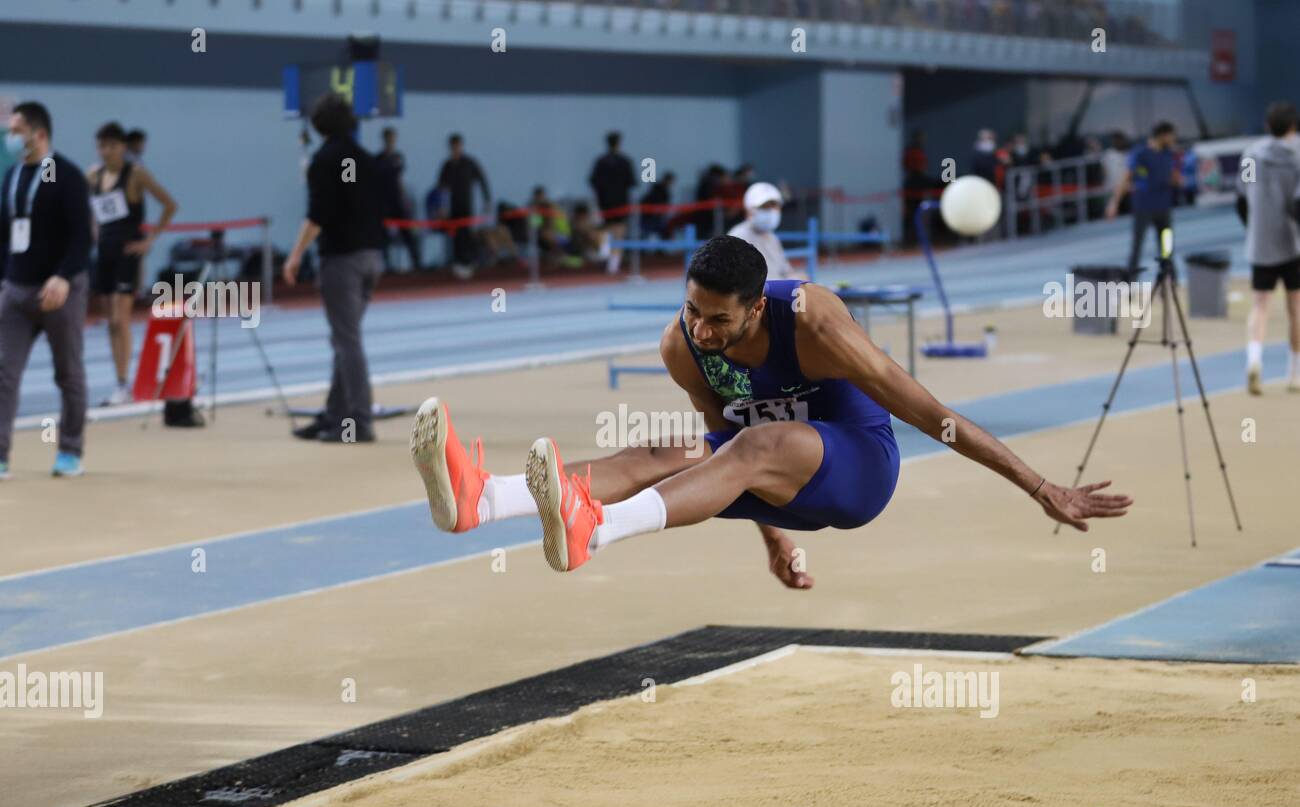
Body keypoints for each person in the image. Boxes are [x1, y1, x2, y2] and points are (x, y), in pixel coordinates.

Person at [410, 237, 1132, 584]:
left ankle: (591, 531)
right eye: (693, 311)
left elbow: (933, 416)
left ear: (759, 306)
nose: (703, 331)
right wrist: (773, 539)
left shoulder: (815, 323)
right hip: (777, 473)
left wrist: (1042, 487)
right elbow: (730, 456)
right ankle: (484, 498)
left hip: (859, 472)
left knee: (763, 441)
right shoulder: (682, 347)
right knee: (662, 453)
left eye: (719, 320)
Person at [282, 93, 385, 444]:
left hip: (342, 259)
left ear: (318, 124)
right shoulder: (366, 159)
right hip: (372, 256)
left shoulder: (324, 160)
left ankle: (358, 420)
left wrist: (295, 255)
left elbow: (318, 215)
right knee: (344, 338)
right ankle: (335, 415)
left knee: (347, 340)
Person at [0, 102, 93, 478]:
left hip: (58, 291)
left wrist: (64, 276)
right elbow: (5, 234)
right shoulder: (12, 176)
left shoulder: (61, 174)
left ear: (38, 134)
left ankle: (70, 451)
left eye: (16, 129)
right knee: (4, 372)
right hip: (17, 291)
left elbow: (82, 236)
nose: (9, 136)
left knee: (67, 372)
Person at [86, 121, 179, 408]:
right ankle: (120, 382)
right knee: (109, 323)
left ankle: (124, 383)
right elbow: (89, 209)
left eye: (112, 146)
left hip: (128, 252)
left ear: (123, 147)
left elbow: (169, 204)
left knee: (119, 319)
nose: (106, 152)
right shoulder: (93, 175)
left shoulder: (135, 174)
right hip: (105, 254)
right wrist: (93, 235)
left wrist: (149, 240)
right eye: (101, 146)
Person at [1236, 100, 1300, 395]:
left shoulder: (1251, 155)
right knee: (1295, 307)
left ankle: (1254, 362)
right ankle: (1295, 372)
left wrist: (1253, 226)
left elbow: (1243, 197)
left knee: (1260, 306)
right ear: (1292, 127)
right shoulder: (1298, 155)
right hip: (1292, 244)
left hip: (1259, 242)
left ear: (1266, 125)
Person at [1107, 121, 1182, 275]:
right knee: (1137, 247)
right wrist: (1114, 203)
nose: (1174, 139)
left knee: (1166, 246)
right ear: (1163, 135)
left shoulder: (1168, 154)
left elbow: (1174, 178)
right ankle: (1129, 282)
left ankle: (1169, 278)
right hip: (1144, 207)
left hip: (1164, 208)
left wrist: (1177, 179)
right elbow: (1126, 178)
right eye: (1171, 135)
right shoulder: (1140, 153)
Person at [436, 133, 490, 280]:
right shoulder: (447, 166)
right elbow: (441, 188)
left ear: (461, 146)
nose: (456, 149)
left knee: (467, 234)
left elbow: (482, 181)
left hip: (467, 205)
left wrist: (487, 201)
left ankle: (470, 262)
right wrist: (442, 207)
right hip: (453, 207)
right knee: (456, 236)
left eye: (458, 146)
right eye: (453, 147)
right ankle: (458, 263)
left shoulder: (469, 163)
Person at [728, 181, 797, 281]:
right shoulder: (737, 237)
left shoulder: (772, 237)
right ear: (749, 210)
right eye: (765, 207)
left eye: (774, 206)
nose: (771, 211)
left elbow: (786, 271)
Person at [588, 132, 636, 274]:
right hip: (620, 201)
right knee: (619, 232)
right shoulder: (625, 161)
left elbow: (593, 181)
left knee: (606, 228)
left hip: (604, 202)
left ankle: (605, 251)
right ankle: (613, 264)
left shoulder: (600, 161)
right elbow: (631, 182)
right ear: (619, 143)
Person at [376, 126, 422, 272]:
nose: (391, 141)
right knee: (383, 236)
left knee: (407, 232)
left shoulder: (398, 157)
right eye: (389, 138)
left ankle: (417, 263)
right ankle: (387, 266)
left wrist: (404, 199)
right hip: (383, 202)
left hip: (397, 201)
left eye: (393, 139)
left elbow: (399, 180)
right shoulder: (377, 159)